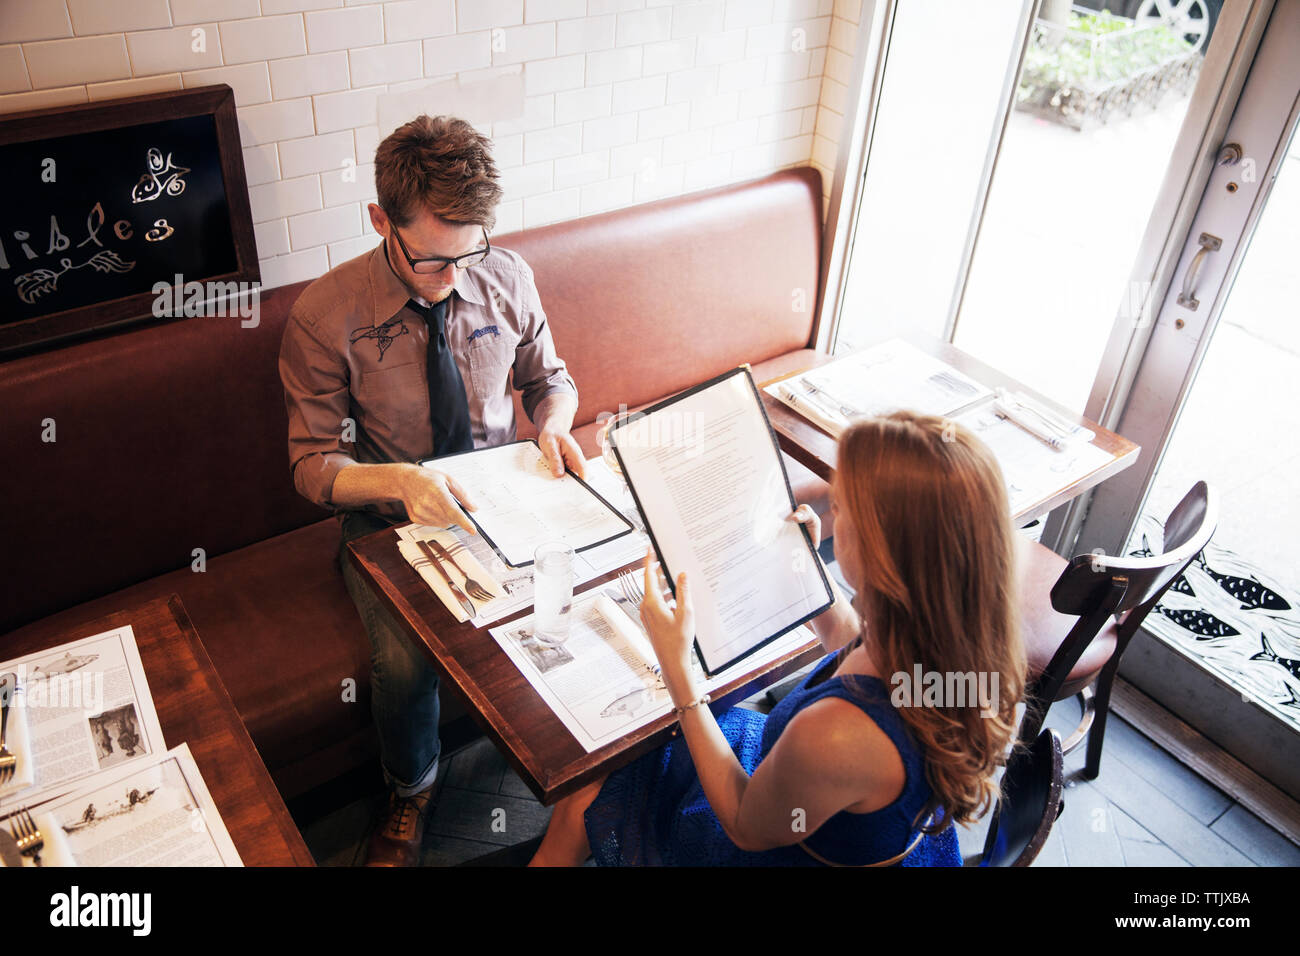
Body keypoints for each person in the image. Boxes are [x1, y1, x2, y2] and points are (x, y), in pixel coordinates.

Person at [279, 114, 585, 867]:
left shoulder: (507, 274)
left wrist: (553, 424)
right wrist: (403, 485)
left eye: (470, 250)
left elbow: (552, 381)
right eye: (434, 261)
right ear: (381, 220)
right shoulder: (326, 315)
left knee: (583, 590)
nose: (458, 276)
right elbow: (311, 464)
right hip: (385, 518)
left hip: (507, 495)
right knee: (408, 664)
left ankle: (574, 773)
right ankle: (410, 789)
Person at [530, 411, 1027, 866]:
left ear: (884, 554)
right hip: (840, 816)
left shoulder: (838, 734)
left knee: (589, 788)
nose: (834, 516)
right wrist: (804, 569)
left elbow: (746, 824)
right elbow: (849, 642)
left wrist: (680, 674)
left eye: (842, 506)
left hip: (767, 835)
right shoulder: (947, 640)